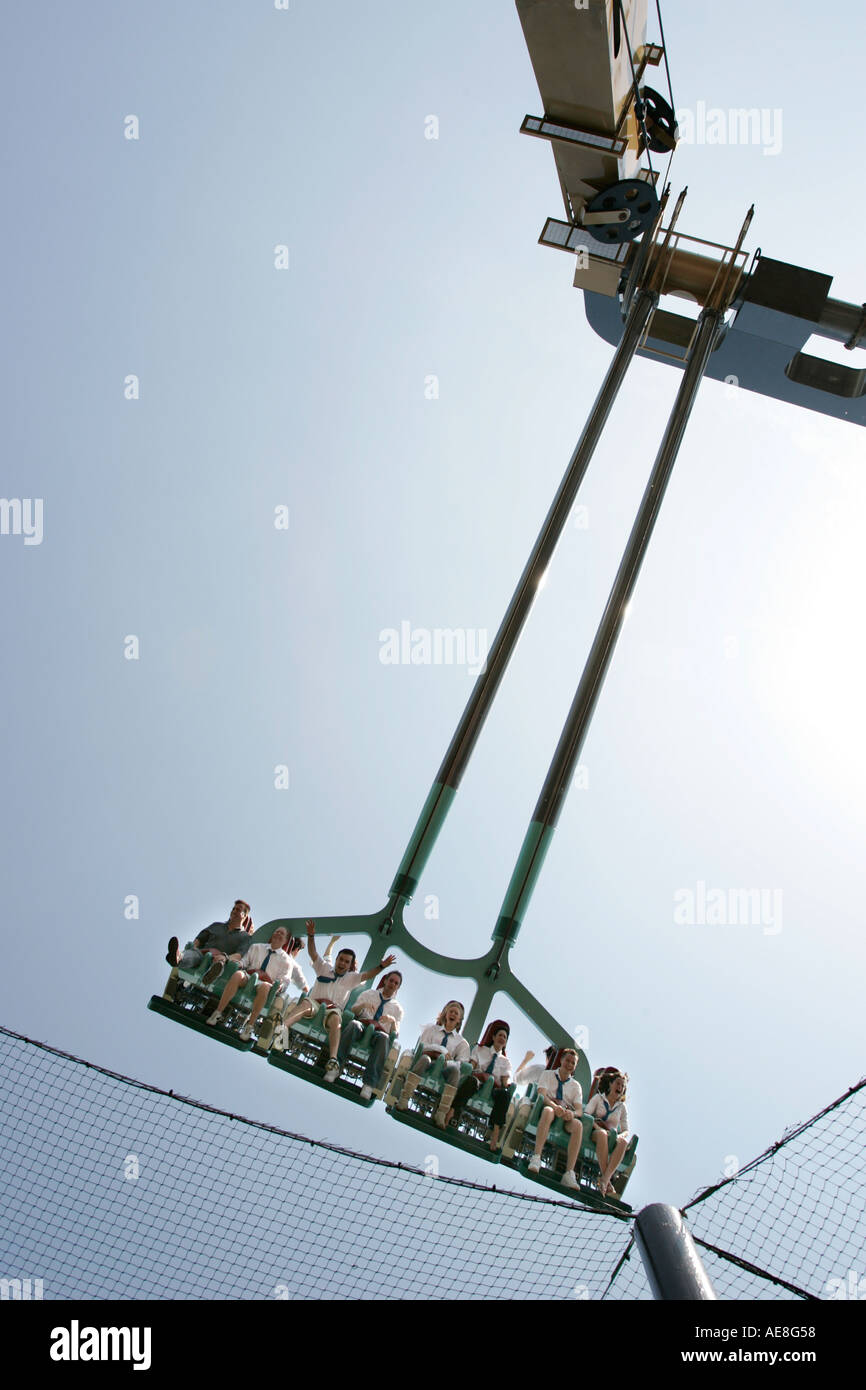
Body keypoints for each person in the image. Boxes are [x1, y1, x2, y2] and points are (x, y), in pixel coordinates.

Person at [279, 920, 396, 1081]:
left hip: (332, 1009)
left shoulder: (351, 978)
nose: (342, 963)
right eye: (341, 959)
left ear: (349, 966)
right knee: (305, 1004)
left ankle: (333, 1059)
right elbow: (313, 953)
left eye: (346, 962)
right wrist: (311, 935)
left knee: (336, 1020)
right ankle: (282, 1030)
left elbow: (368, 975)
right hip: (315, 1003)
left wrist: (382, 966)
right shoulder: (324, 968)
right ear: (337, 960)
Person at [206, 928, 292, 1039]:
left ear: (285, 940)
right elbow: (245, 961)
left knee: (265, 987)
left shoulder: (286, 960)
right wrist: (239, 964)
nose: (278, 934)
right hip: (250, 975)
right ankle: (217, 1012)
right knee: (238, 975)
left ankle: (249, 1026)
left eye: (282, 934)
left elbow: (285, 979)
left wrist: (280, 985)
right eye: (277, 931)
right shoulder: (257, 947)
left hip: (265, 982)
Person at [442, 1019, 513, 1149]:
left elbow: (505, 1080)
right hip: (479, 1079)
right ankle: (452, 1111)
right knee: (471, 1081)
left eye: (505, 1037)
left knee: (505, 1095)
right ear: (493, 1037)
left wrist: (508, 1085)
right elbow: (472, 1066)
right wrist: (472, 1070)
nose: (502, 1038)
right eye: (500, 1035)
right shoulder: (480, 1049)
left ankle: (495, 1132)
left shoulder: (506, 1062)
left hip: (493, 1087)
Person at [335, 970, 404, 1098]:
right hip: (363, 1024)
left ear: (398, 987)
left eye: (396, 983)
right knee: (353, 1025)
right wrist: (364, 1005)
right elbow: (354, 1010)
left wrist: (392, 1020)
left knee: (384, 1038)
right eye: (391, 980)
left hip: (379, 1032)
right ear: (385, 980)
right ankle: (336, 1066)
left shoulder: (397, 1008)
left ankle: (369, 1084)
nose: (392, 984)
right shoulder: (369, 993)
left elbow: (396, 1033)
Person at [526, 1047, 584, 1190]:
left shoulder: (576, 1086)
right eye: (567, 1060)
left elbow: (579, 1110)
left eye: (572, 1063)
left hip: (565, 1115)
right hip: (549, 1107)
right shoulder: (547, 1074)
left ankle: (569, 1173)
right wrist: (554, 1105)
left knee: (578, 1125)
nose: (569, 1064)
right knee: (548, 1111)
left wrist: (573, 1114)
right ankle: (536, 1157)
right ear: (561, 1060)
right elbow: (542, 1094)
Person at [396, 1001, 470, 1111]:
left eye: (456, 1013)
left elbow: (461, 1063)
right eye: (451, 1011)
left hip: (445, 1068)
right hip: (428, 1062)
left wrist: (446, 1061)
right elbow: (423, 1047)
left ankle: (442, 1112)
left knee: (455, 1072)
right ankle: (404, 1099)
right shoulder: (432, 1029)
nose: (453, 1014)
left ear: (459, 1019)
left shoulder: (462, 1043)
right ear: (446, 1014)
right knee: (425, 1059)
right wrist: (441, 1050)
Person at [166, 900, 253, 984]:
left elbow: (238, 955)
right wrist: (194, 948)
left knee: (219, 964)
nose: (234, 911)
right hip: (203, 954)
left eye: (238, 909)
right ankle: (178, 957)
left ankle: (210, 976)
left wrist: (225, 958)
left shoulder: (245, 937)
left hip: (221, 960)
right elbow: (200, 939)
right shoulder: (216, 926)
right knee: (195, 954)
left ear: (244, 916)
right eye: (233, 909)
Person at [585, 1070, 630, 1196]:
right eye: (617, 1084)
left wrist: (619, 1136)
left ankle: (605, 1179)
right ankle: (607, 1182)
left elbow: (626, 1129)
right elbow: (587, 1114)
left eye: (622, 1086)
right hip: (595, 1132)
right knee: (602, 1135)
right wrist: (597, 1128)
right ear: (610, 1084)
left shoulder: (621, 1107)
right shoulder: (598, 1098)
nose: (619, 1088)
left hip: (611, 1136)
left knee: (623, 1142)